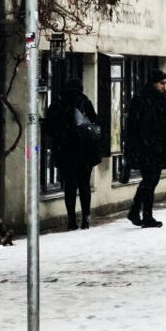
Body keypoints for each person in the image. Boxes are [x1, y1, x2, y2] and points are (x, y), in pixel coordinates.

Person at [124, 69, 166, 228]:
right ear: (153, 83)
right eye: (161, 83)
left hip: (160, 147)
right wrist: (134, 147)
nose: (164, 86)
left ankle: (137, 211)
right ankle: (145, 215)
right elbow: (132, 127)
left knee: (151, 180)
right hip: (146, 147)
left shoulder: (165, 101)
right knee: (150, 180)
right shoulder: (141, 99)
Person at [45, 79, 102, 230]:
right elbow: (95, 122)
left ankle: (71, 219)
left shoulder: (57, 103)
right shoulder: (84, 101)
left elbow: (49, 128)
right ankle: (85, 218)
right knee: (84, 185)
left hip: (65, 151)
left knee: (70, 186)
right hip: (84, 151)